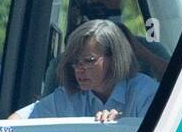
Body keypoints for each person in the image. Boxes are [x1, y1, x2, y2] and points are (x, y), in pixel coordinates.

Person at [13, 20, 157, 123]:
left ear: (114, 58)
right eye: (75, 62)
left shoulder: (146, 93)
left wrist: (122, 126)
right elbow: (16, 121)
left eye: (89, 60)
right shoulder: (68, 96)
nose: (79, 69)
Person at [73, 0, 170, 79]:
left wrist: (142, 53)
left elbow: (179, 81)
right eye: (99, 11)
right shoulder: (69, 61)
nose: (109, 20)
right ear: (81, 13)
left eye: (115, 12)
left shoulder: (149, 48)